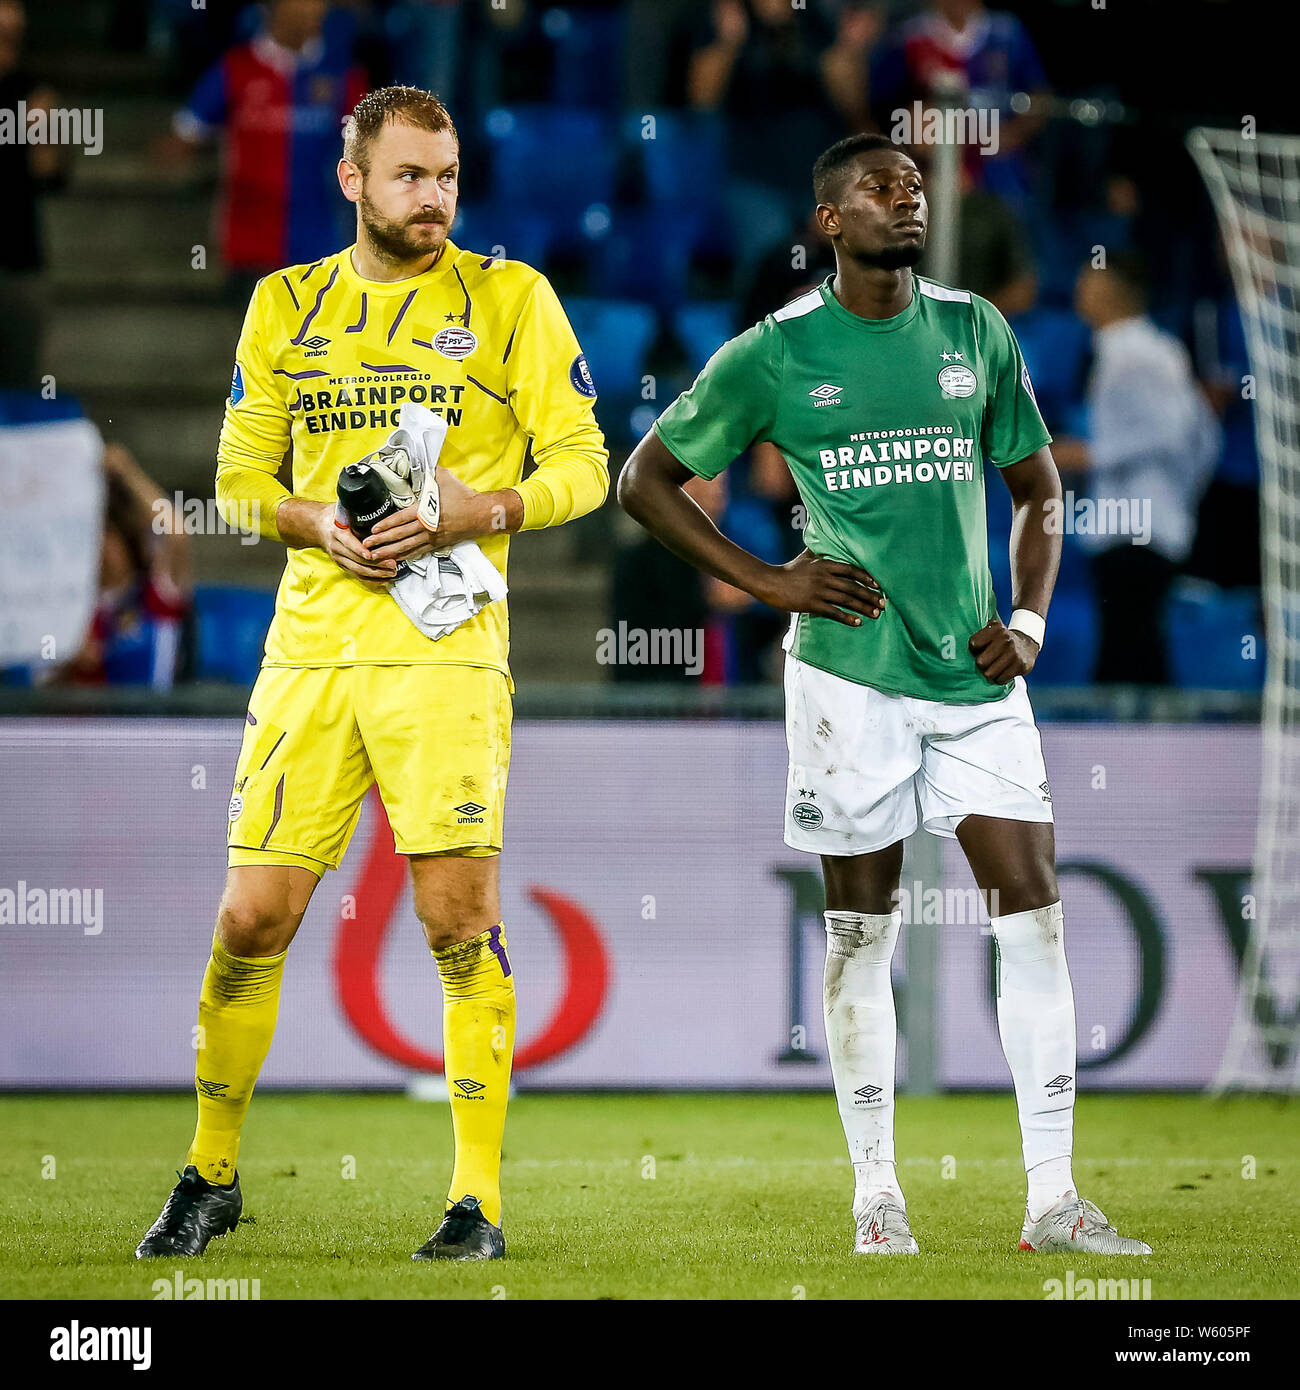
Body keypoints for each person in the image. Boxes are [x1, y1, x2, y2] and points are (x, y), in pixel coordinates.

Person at [618, 133, 1151, 1257]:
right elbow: (645, 480)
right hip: (844, 680)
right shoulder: (773, 353)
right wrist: (767, 580)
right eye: (878, 187)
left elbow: (1039, 488)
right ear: (828, 220)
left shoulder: (972, 329)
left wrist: (1030, 620)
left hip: (972, 673)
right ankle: (877, 1198)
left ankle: (1051, 1200)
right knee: (862, 933)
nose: (904, 199)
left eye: (913, 187)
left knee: (1034, 906)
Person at [134, 85, 609, 1264]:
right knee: (251, 918)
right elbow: (240, 477)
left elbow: (586, 464)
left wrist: (477, 510)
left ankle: (475, 1203)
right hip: (310, 652)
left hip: (445, 655)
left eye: (446, 175)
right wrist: (311, 523)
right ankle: (210, 1171)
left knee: (459, 922)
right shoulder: (284, 305)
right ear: (351, 181)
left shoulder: (511, 301)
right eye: (409, 176)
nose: (434, 196)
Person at [1052, 253, 1219, 684]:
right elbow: (1202, 436)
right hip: (1131, 528)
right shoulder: (1137, 349)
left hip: (1137, 531)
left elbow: (1173, 432)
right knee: (1127, 649)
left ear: (1109, 293)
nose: (1077, 292)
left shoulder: (1138, 353)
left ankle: (1143, 747)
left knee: (1131, 656)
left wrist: (1091, 455)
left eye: (1087, 283)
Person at [162, 0, 368, 299]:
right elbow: (186, 134)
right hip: (250, 245)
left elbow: (369, 145)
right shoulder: (236, 68)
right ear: (271, 8)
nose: (311, 10)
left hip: (320, 246)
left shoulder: (342, 74)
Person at [59, 444, 193, 690]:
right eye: (92, 540)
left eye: (108, 539)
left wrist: (127, 472)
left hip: (155, 721)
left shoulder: (158, 595)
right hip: (91, 724)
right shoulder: (74, 606)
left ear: (128, 544)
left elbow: (176, 532)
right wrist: (67, 661)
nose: (100, 551)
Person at [0, 0, 65, 389]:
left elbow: (51, 176)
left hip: (19, 258)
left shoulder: (34, 94)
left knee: (18, 381)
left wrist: (44, 138)